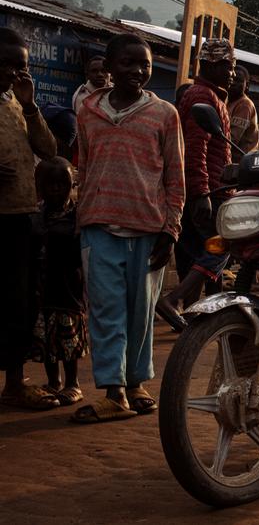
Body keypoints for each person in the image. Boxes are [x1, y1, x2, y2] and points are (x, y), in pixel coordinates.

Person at [73, 33, 185, 423]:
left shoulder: (165, 115)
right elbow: (83, 167)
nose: (138, 71)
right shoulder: (88, 111)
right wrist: (78, 221)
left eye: (145, 65)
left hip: (148, 230)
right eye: (128, 63)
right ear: (109, 66)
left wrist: (171, 230)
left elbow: (175, 177)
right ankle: (113, 391)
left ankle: (136, 384)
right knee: (106, 312)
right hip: (98, 226)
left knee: (141, 314)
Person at [0, 27, 59, 411]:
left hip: (19, 218)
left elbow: (50, 150)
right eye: (8, 64)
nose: (16, 73)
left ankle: (15, 384)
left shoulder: (17, 101)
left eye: (22, 66)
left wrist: (31, 104)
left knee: (18, 304)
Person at [159, 38, 236, 328]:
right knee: (223, 244)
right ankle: (173, 299)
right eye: (228, 66)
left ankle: (194, 318)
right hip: (209, 189)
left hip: (204, 187)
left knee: (194, 254)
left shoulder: (208, 94)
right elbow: (195, 149)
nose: (232, 73)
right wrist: (202, 192)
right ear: (211, 66)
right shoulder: (203, 96)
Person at [28, 158, 87, 406]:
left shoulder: (78, 216)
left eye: (61, 183)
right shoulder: (36, 216)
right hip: (43, 287)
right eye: (49, 184)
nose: (55, 189)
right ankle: (54, 382)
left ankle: (72, 383)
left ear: (71, 184)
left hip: (69, 288)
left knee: (68, 339)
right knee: (48, 339)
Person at [226, 64, 259, 163]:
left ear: (247, 85)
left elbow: (231, 139)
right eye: (232, 78)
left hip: (242, 163)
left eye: (239, 80)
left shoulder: (244, 104)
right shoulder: (229, 102)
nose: (234, 83)